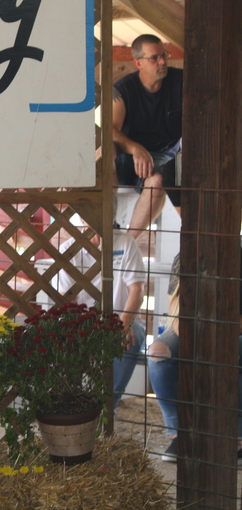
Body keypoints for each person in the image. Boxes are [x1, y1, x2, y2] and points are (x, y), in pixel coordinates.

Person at [148, 254, 242, 462]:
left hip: (234, 328)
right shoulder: (184, 255)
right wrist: (187, 330)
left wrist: (223, 335)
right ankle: (180, 432)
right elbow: (175, 302)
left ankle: (237, 435)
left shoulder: (238, 252)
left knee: (236, 350)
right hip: (193, 326)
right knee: (158, 352)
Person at [55, 227, 146, 410]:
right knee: (59, 340)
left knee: (130, 339)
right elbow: (66, 301)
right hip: (82, 322)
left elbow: (136, 290)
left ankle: (106, 408)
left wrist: (124, 324)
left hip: (120, 321)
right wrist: (81, 334)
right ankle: (71, 404)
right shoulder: (68, 248)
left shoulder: (125, 242)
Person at [111, 34, 183, 239]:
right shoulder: (123, 89)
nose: (162, 62)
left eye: (164, 55)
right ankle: (107, 224)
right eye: (154, 58)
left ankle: (128, 243)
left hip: (162, 157)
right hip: (127, 156)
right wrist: (135, 149)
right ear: (138, 63)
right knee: (104, 152)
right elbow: (110, 129)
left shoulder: (182, 82)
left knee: (160, 180)